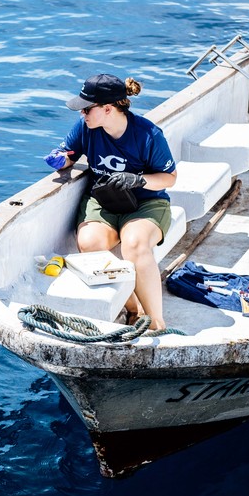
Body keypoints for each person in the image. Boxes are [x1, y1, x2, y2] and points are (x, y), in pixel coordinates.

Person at [45, 74, 178, 331]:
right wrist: (61, 160)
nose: (82, 113)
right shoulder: (86, 127)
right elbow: (70, 153)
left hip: (146, 203)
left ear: (107, 109)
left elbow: (169, 179)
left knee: (134, 245)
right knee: (89, 242)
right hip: (103, 201)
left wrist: (137, 180)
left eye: (86, 108)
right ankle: (132, 309)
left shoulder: (148, 134)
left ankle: (156, 322)